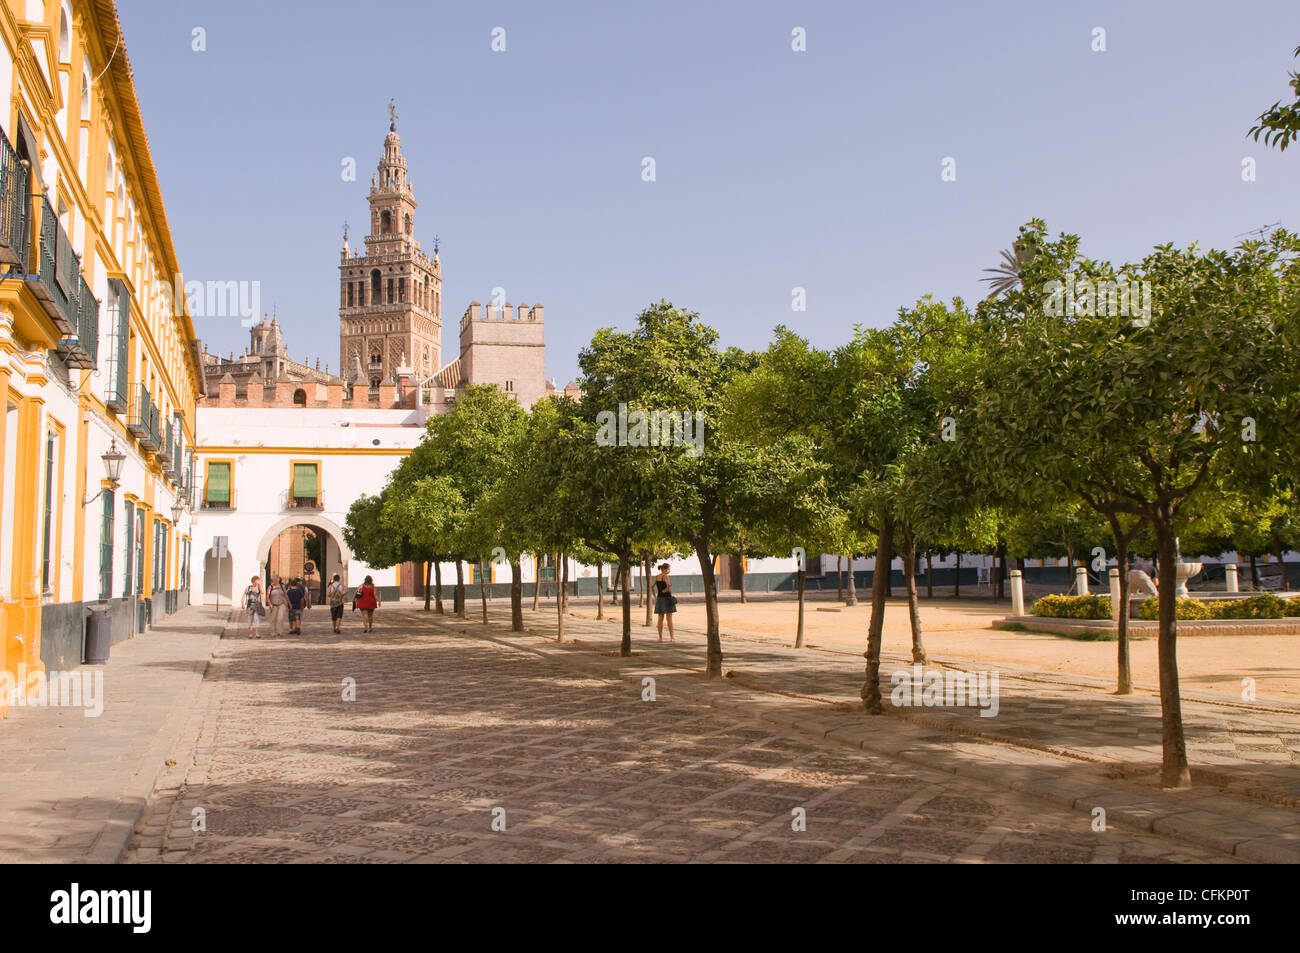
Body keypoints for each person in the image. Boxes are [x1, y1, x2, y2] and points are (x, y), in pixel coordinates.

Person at [653, 562, 676, 642]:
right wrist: (665, 590)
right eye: (668, 569)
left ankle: (660, 638)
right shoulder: (665, 576)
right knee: (669, 619)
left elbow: (651, 586)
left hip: (659, 599)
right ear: (664, 569)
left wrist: (655, 596)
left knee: (660, 619)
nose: (669, 571)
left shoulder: (657, 577)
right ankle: (672, 637)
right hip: (667, 598)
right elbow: (669, 584)